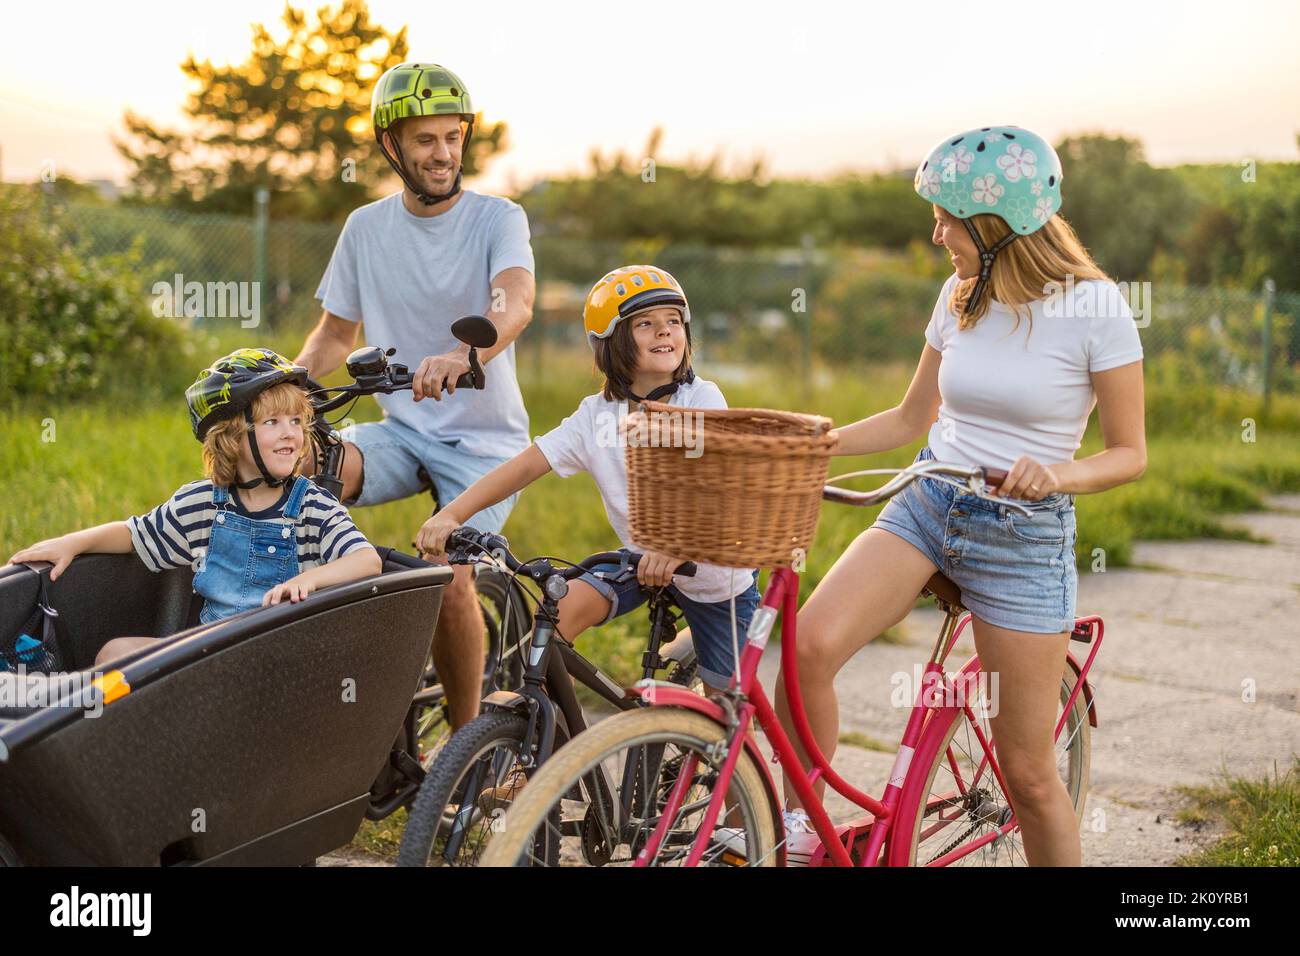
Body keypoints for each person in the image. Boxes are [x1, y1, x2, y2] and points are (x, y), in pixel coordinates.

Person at [776, 126, 1147, 865]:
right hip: (930, 500)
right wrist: (813, 443)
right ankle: (803, 832)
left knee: (1030, 775)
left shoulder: (1096, 308)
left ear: (999, 227)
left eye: (948, 218)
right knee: (807, 649)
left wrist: (1059, 472)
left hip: (1023, 536)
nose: (935, 231)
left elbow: (1130, 454)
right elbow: (912, 418)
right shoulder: (960, 293)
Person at [295, 62, 536, 731]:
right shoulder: (366, 228)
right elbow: (334, 334)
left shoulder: (497, 218)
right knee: (299, 475)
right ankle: (315, 669)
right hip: (399, 433)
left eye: (453, 137)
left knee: (447, 575)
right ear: (391, 146)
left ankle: (463, 754)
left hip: (485, 445)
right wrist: (282, 394)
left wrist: (467, 353)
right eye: (426, 140)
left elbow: (514, 302)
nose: (443, 153)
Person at [417, 265, 762, 697]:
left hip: (714, 574)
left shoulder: (701, 399)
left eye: (674, 321)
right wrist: (452, 514)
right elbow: (524, 466)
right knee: (550, 625)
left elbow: (719, 486)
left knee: (727, 714)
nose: (665, 332)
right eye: (645, 324)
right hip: (640, 560)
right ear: (612, 341)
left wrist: (676, 547)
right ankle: (543, 743)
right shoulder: (595, 416)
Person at [6, 349, 382, 667]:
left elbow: (367, 561)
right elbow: (138, 534)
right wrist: (72, 543)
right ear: (232, 438)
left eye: (297, 421)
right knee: (115, 653)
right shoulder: (204, 502)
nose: (291, 432)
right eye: (272, 422)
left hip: (279, 662)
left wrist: (308, 579)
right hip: (207, 657)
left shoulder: (311, 506)